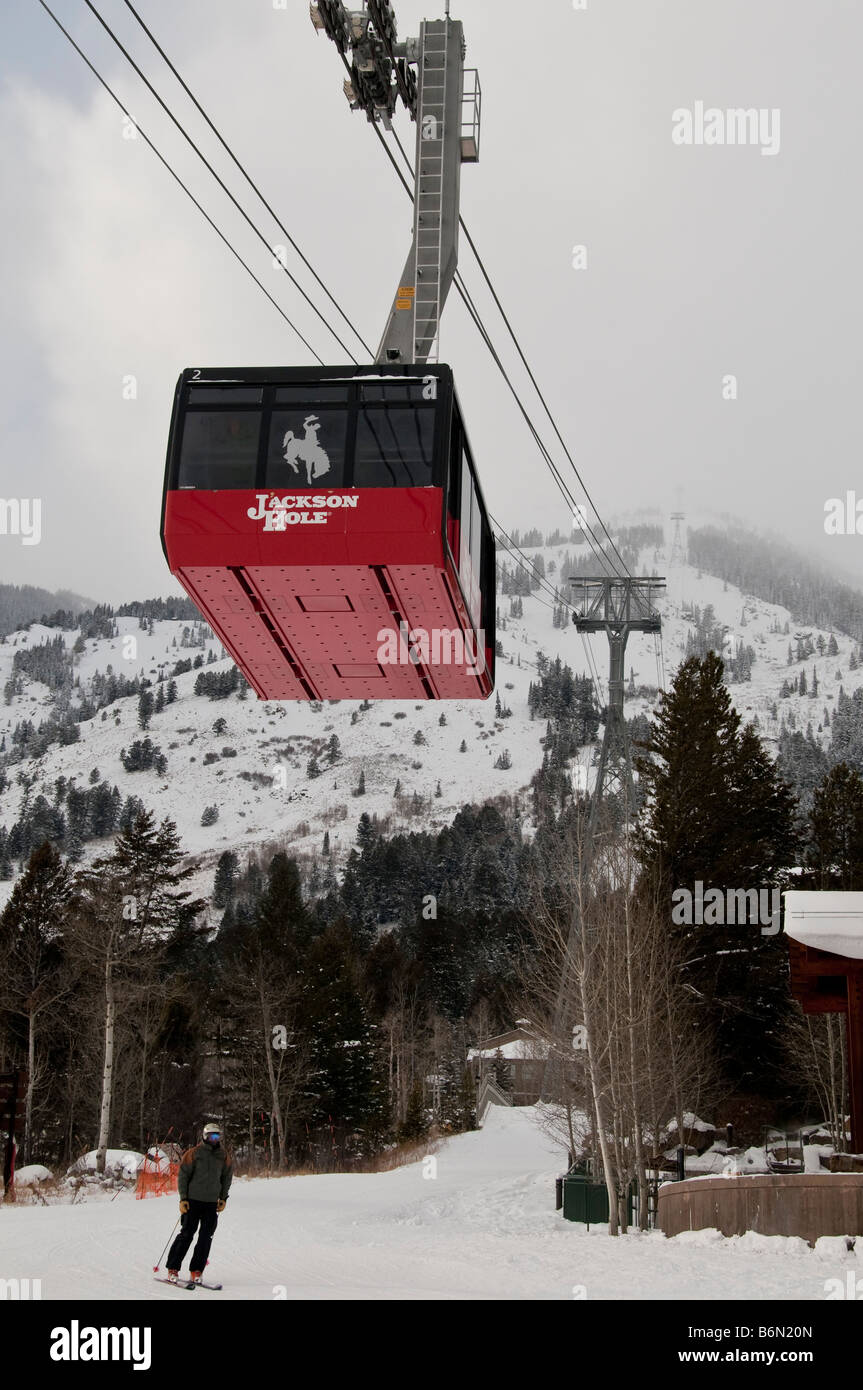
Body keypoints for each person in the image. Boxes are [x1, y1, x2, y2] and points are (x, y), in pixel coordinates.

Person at [166, 1123, 232, 1283]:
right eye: (211, 1136)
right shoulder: (194, 1153)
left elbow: (226, 1177)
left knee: (205, 1237)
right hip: (193, 1201)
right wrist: (183, 1199)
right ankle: (173, 1268)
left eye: (217, 1136)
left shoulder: (223, 1156)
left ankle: (196, 1270)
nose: (214, 1139)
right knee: (187, 1234)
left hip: (211, 1203)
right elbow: (183, 1176)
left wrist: (223, 1198)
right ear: (204, 1136)